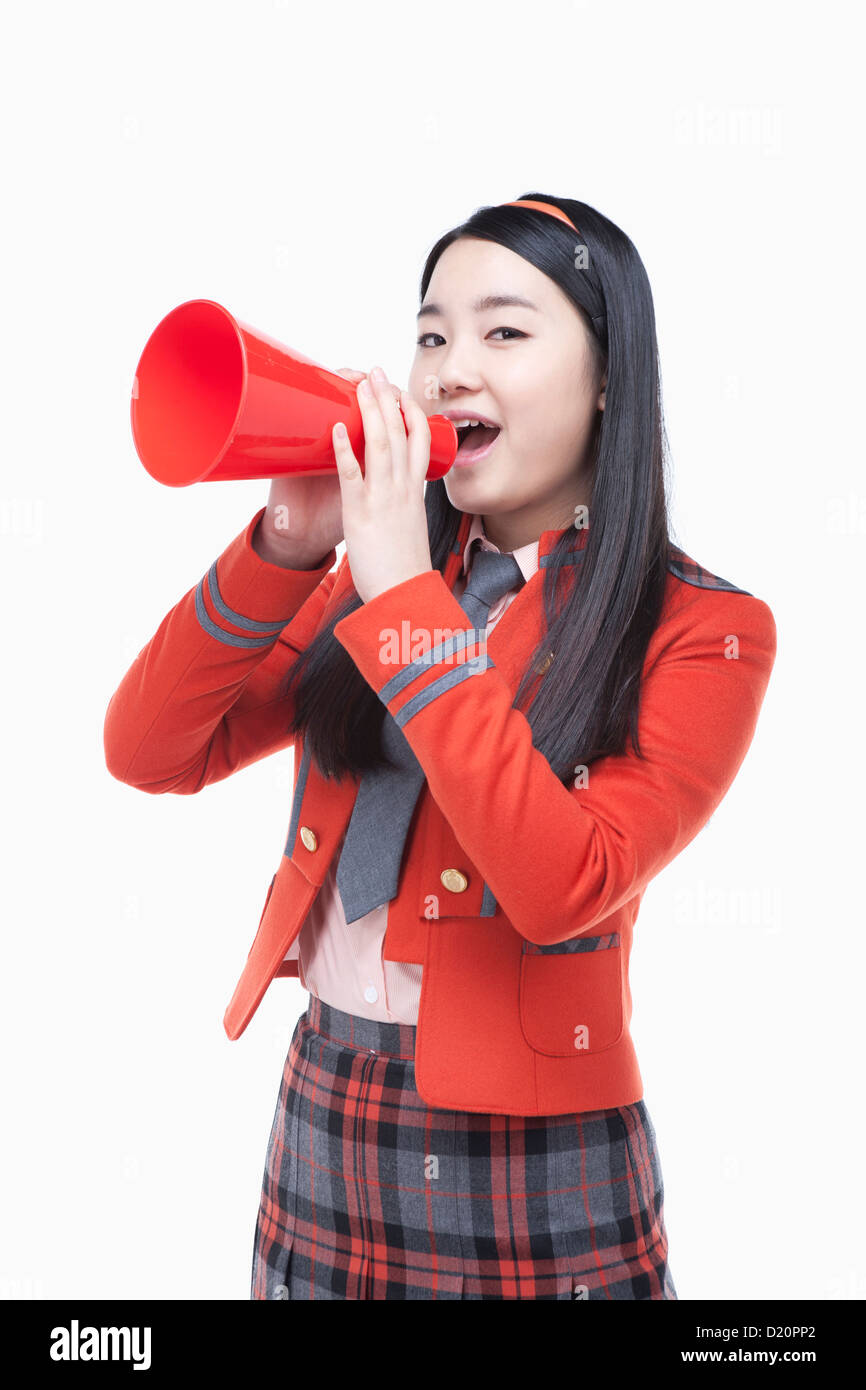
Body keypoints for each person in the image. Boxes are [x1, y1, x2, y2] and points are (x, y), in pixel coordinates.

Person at [104, 194, 777, 1299]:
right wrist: (284, 545)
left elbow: (565, 884)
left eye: (502, 331)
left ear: (608, 377)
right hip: (326, 1103)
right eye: (430, 335)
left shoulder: (701, 629)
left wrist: (399, 592)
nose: (448, 370)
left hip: (536, 1152)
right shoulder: (374, 590)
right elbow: (150, 749)